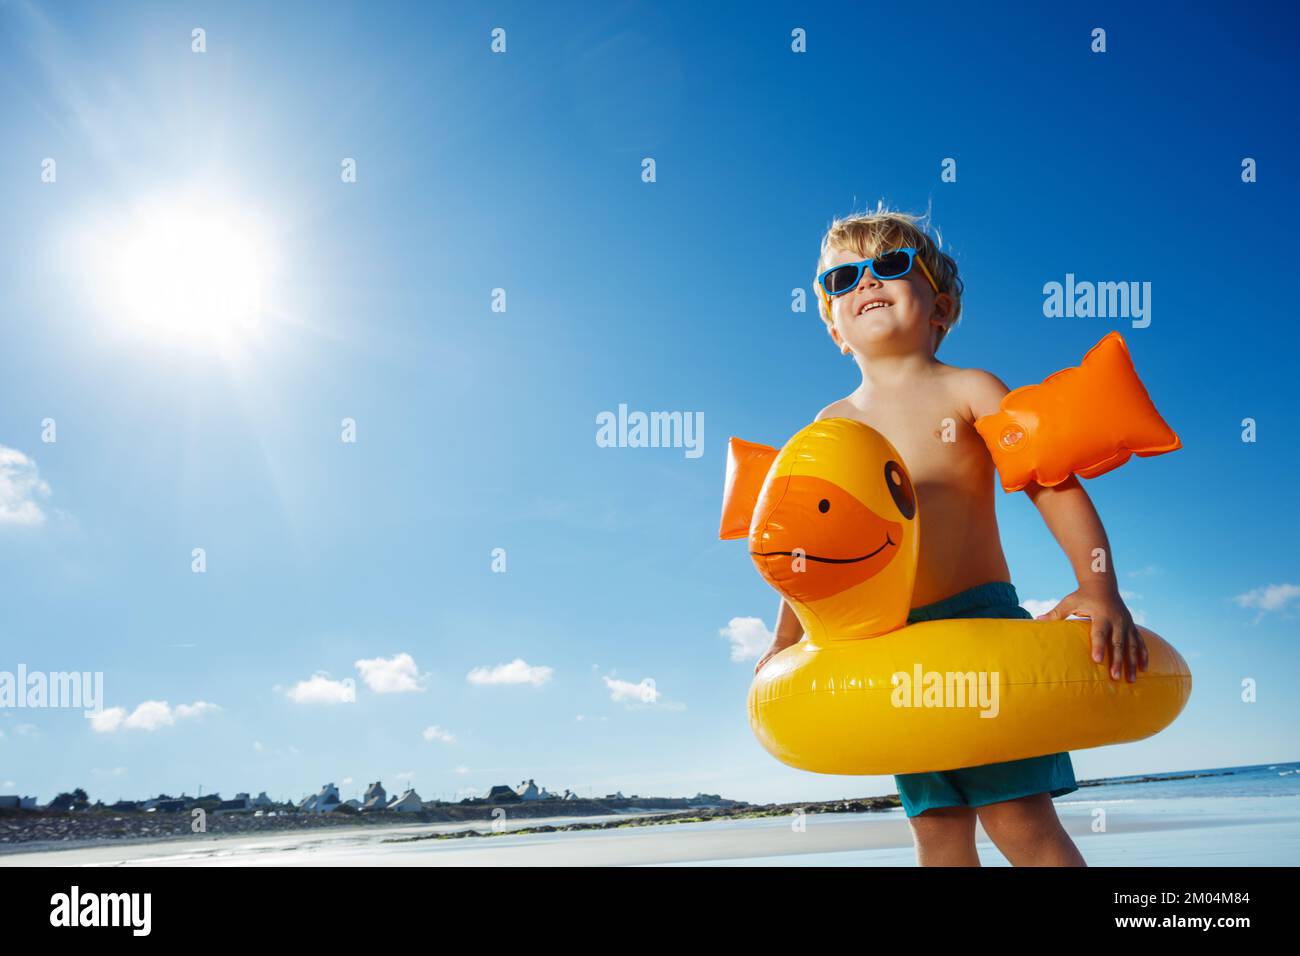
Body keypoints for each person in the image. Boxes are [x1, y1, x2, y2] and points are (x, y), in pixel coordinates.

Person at [754, 205, 1148, 866]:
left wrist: (1097, 585)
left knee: (1018, 820)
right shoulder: (831, 424)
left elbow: (1049, 482)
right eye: (842, 279)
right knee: (936, 832)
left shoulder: (970, 390)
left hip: (978, 627)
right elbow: (818, 551)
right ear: (834, 329)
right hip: (889, 646)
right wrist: (784, 640)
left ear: (938, 308)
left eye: (890, 266)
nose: (865, 283)